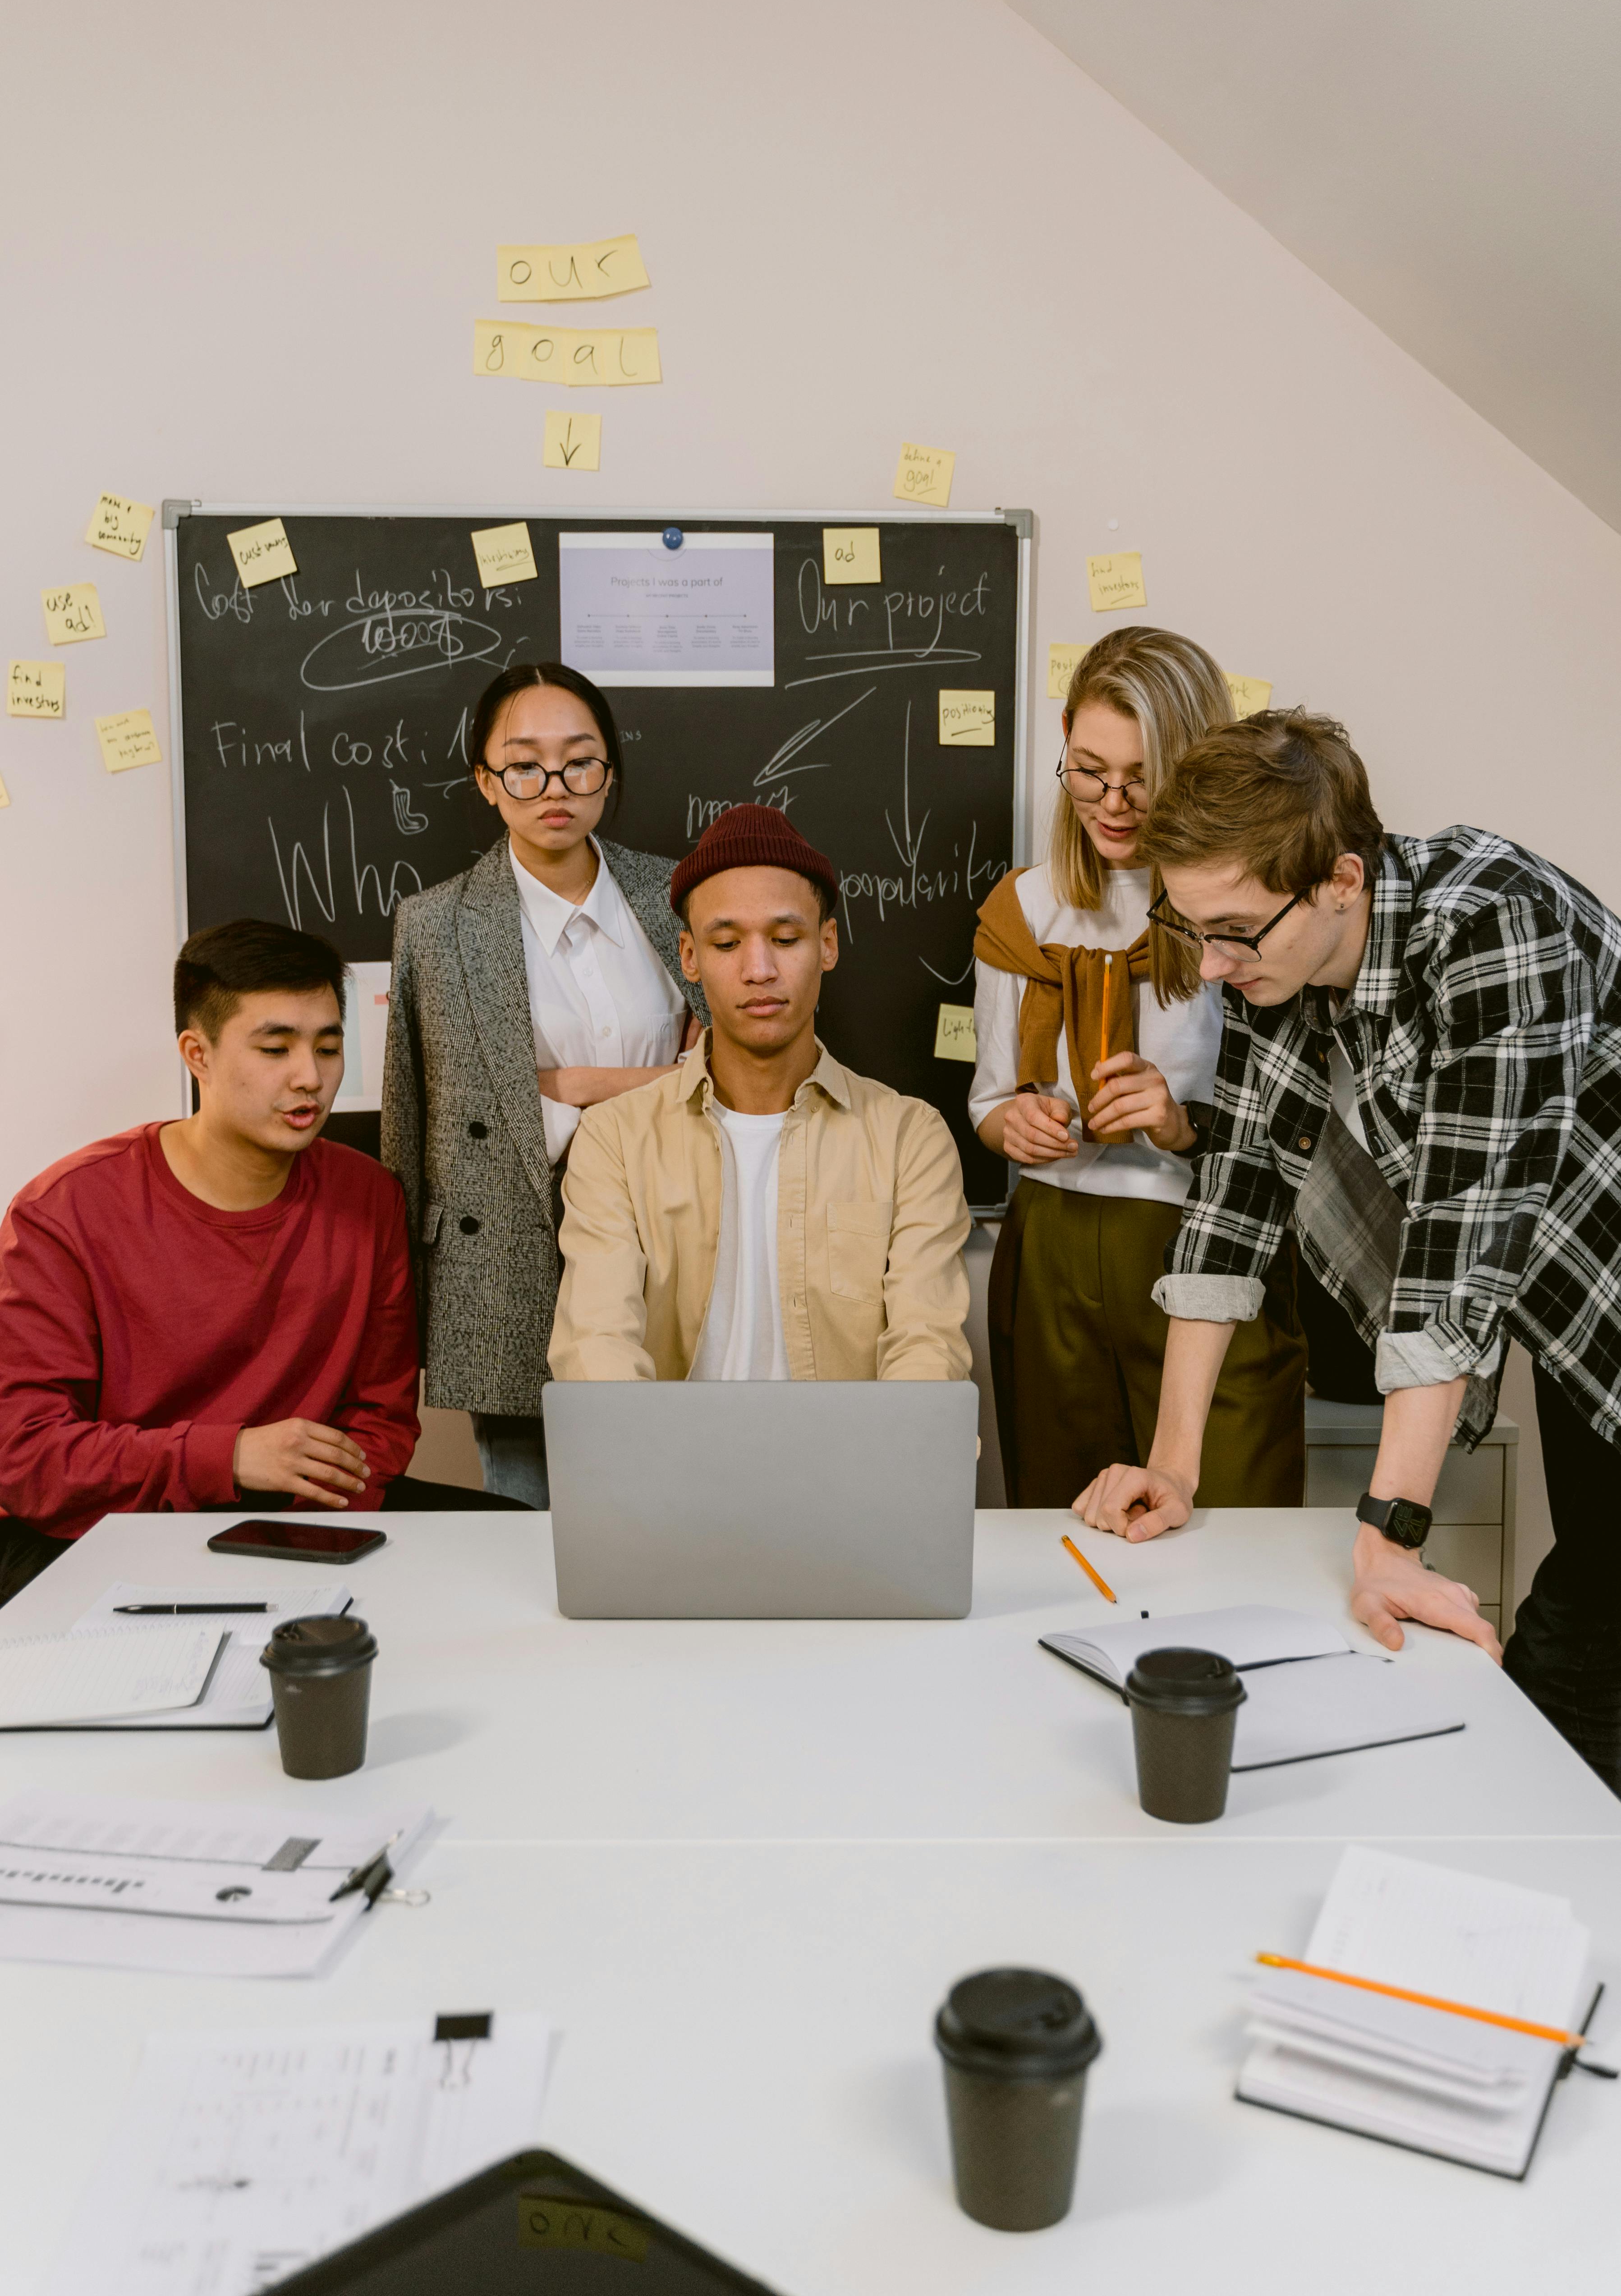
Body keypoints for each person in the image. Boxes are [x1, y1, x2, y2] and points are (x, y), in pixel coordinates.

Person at [1073, 708, 1621, 1789]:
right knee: (1596, 1611)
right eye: (1192, 931)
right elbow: (1232, 1200)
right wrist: (1172, 1467)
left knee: (1586, 1636)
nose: (1215, 965)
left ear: (1339, 879)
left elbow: (1453, 1252)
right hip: (1573, 1311)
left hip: (1577, 1275)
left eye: (1234, 930)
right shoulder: (1281, 959)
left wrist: (1387, 1537)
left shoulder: (1492, 927)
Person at [971, 628, 1306, 1508]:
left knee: (1229, 1528)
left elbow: (1294, 1124)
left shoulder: (1244, 905)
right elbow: (987, 1101)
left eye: (1141, 774)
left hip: (1207, 1236)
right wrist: (1014, 1123)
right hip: (1048, 1241)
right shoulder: (1023, 906)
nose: (1113, 801)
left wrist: (1176, 1120)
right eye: (1088, 770)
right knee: (1064, 1527)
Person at [0, 921, 420, 1603]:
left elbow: (381, 1419)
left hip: (295, 1521)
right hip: (96, 1534)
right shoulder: (63, 1212)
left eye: (329, 1046)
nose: (309, 1078)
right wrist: (229, 1456)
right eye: (275, 1048)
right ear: (197, 1053)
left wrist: (303, 1544)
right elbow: (25, 1459)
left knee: (511, 1548)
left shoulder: (368, 1197)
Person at [381, 663, 707, 1506]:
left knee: (681, 1504)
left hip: (675, 1229)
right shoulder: (435, 923)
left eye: (580, 761)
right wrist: (654, 1079)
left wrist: (566, 1081)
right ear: (486, 781)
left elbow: (735, 1073)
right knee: (530, 1524)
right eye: (523, 764)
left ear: (611, 772)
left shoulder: (682, 896)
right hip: (507, 1257)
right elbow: (427, 1117)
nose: (553, 786)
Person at [548, 804, 972, 1382]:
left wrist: (876, 1466)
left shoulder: (908, 1138)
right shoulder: (616, 1139)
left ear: (827, 945)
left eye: (785, 937)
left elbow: (927, 1350)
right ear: (690, 958)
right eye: (726, 945)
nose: (759, 969)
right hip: (672, 1464)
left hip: (845, 1466)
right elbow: (598, 1350)